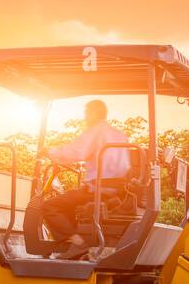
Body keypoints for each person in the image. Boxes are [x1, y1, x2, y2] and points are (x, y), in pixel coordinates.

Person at [42, 99, 131, 258]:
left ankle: (78, 244)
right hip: (115, 190)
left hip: (97, 190)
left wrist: (49, 152)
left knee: (49, 206)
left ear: (94, 112)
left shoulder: (96, 131)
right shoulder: (120, 135)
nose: (85, 117)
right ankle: (74, 245)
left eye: (86, 113)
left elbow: (76, 152)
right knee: (70, 203)